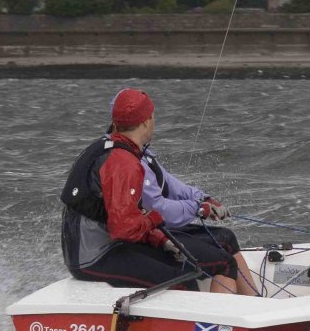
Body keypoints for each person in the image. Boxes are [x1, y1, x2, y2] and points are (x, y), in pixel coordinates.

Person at [109, 89, 260, 297]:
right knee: (224, 264)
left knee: (226, 238)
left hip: (152, 228)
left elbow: (171, 184)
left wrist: (203, 198)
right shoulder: (126, 159)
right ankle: (218, 324)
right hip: (143, 236)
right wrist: (197, 209)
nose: (154, 122)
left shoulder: (140, 152)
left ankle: (256, 302)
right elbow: (157, 207)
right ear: (145, 122)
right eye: (153, 117)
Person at [60, 88, 196, 291]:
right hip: (93, 258)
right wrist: (155, 218)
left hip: (90, 249)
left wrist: (160, 240)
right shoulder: (123, 162)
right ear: (146, 122)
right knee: (184, 280)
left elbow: (119, 213)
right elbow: (123, 228)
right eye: (153, 117)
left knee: (182, 266)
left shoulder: (106, 147)